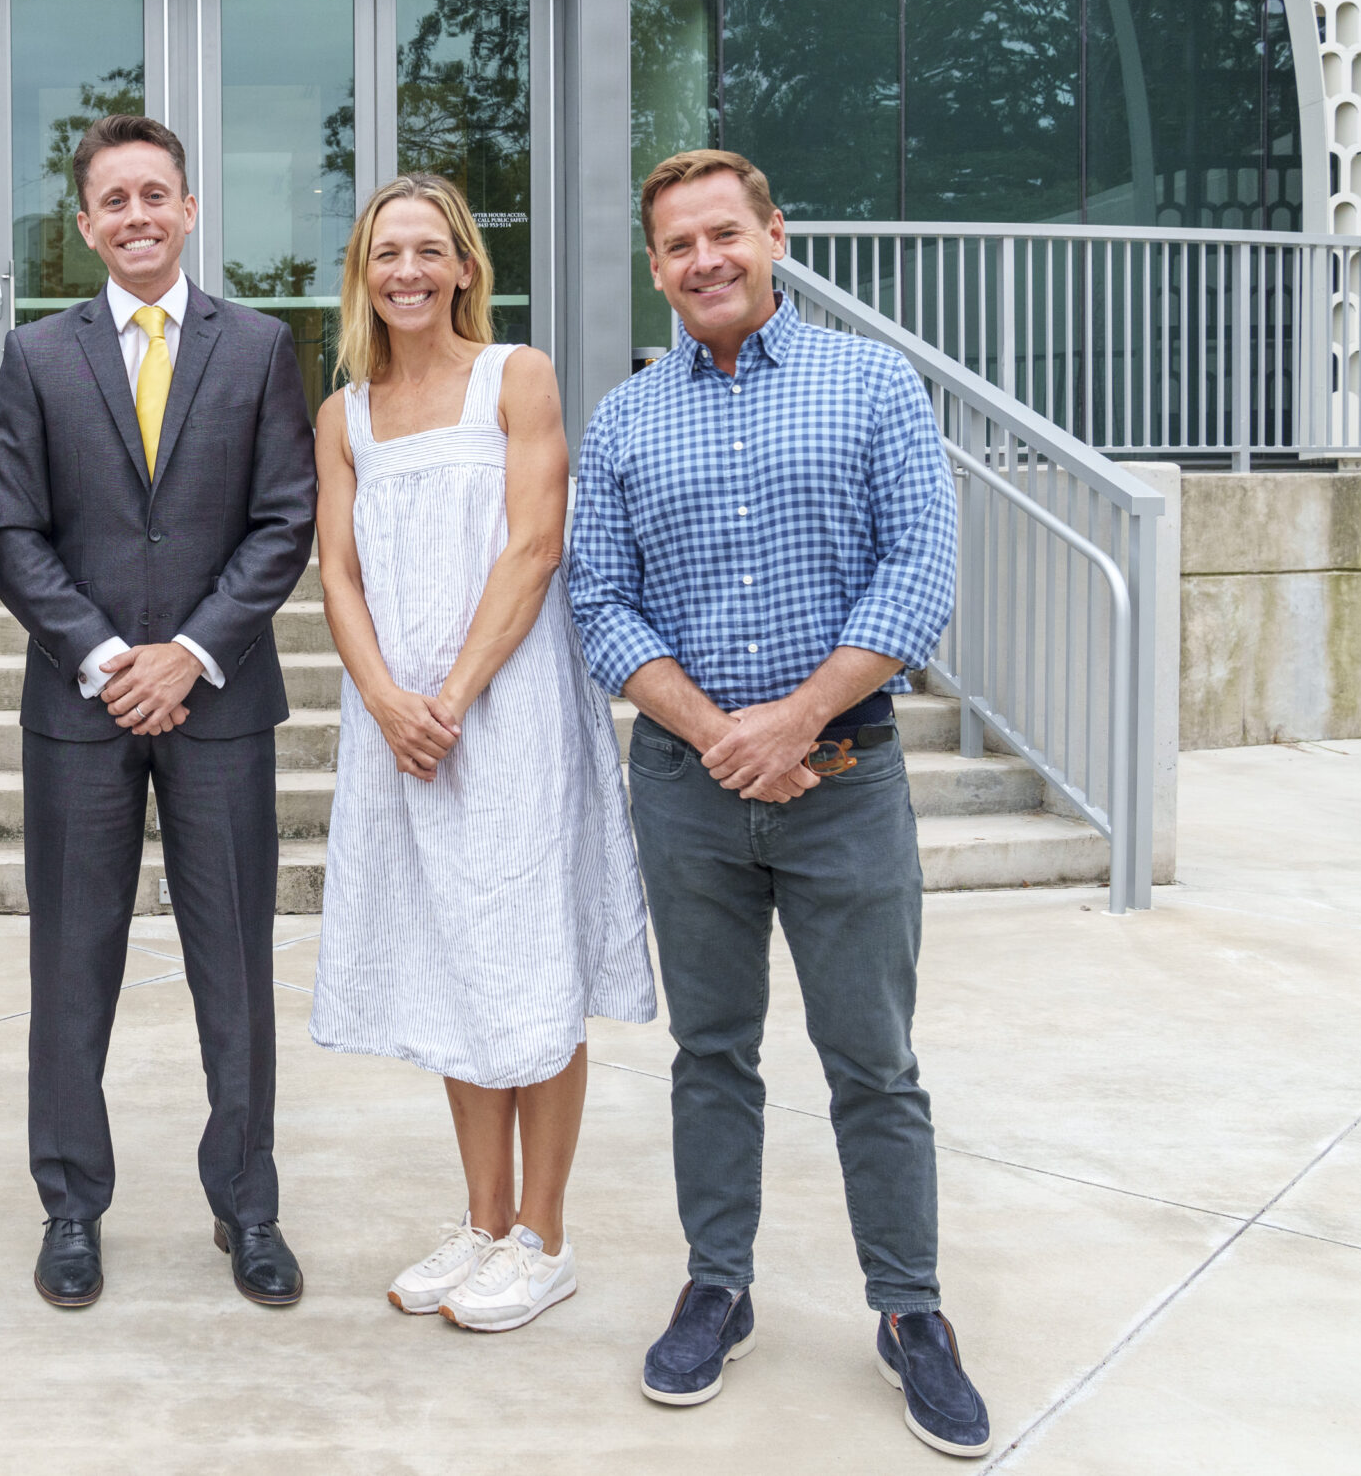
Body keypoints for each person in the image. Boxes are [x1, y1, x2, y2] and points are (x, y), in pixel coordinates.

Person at [568, 149, 988, 1457]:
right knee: (713, 1052)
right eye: (678, 244)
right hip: (688, 794)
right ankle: (718, 1283)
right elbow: (599, 599)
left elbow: (918, 572)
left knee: (874, 1060)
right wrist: (717, 733)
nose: (704, 260)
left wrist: (794, 720)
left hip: (846, 783)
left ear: (772, 235)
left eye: (724, 234)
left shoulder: (873, 385)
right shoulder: (628, 420)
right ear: (655, 267)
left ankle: (911, 1309)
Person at [0, 113, 319, 1311]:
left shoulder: (262, 345)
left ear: (188, 210)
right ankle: (72, 1206)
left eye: (155, 195)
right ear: (84, 224)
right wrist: (108, 656)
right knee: (74, 968)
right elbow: (11, 531)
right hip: (81, 710)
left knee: (235, 969)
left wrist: (188, 653)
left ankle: (248, 1206)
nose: (135, 215)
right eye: (112, 199)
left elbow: (286, 517)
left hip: (219, 705)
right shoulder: (34, 357)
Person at [308, 175, 655, 1332]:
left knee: (527, 957)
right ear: (364, 274)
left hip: (503, 715)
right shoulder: (344, 413)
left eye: (426, 250)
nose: (405, 271)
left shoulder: (518, 375)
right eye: (384, 254)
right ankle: (483, 1221)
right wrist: (384, 700)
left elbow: (533, 544)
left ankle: (543, 1238)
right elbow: (339, 575)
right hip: (399, 723)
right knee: (457, 960)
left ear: (462, 264)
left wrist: (448, 695)